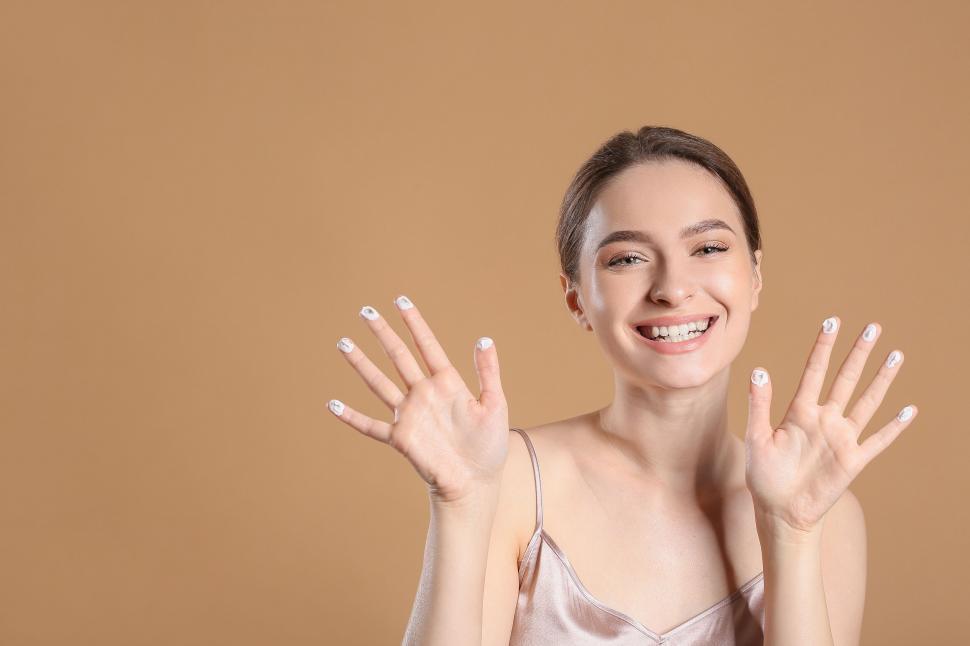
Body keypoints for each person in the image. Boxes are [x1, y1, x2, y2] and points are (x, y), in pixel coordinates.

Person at [328, 126, 917, 645]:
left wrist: (791, 532)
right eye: (627, 259)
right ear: (576, 297)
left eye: (708, 248)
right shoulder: (508, 483)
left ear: (755, 275)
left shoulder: (827, 512)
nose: (672, 287)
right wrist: (458, 505)